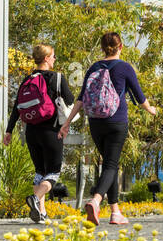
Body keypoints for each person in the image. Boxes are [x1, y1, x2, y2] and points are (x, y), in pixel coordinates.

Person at [59, 31, 156, 227]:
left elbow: (80, 99)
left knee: (110, 165)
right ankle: (95, 201)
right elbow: (140, 97)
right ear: (121, 47)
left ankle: (115, 212)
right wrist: (151, 109)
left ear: (103, 48)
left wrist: (67, 122)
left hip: (96, 122)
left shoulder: (95, 67)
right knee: (111, 165)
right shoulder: (125, 68)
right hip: (116, 121)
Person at [4, 43, 73, 223]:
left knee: (39, 172)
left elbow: (16, 107)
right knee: (53, 173)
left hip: (31, 132)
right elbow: (71, 101)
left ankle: (41, 212)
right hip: (52, 131)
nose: (55, 59)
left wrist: (9, 130)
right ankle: (36, 198)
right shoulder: (57, 78)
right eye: (53, 56)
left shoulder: (27, 79)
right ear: (46, 58)